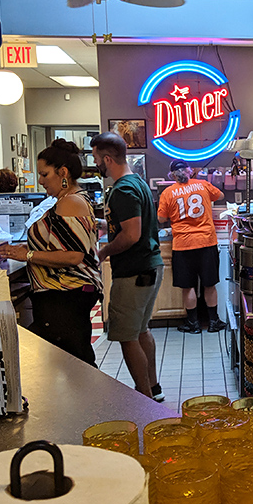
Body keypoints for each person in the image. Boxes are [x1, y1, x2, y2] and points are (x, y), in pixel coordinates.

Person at [0, 140, 102, 366]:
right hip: (64, 294)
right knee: (72, 362)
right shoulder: (67, 200)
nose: (41, 181)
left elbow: (73, 255)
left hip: (66, 293)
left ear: (62, 172)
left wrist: (26, 255)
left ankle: (96, 401)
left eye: (45, 174)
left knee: (75, 363)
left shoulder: (70, 202)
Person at [91, 131, 164, 400]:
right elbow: (129, 225)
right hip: (150, 267)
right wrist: (101, 225)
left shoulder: (122, 190)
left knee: (126, 336)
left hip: (134, 272)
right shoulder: (138, 183)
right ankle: (153, 388)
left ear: (107, 159)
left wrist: (103, 252)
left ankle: (143, 397)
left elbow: (131, 235)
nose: (96, 164)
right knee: (141, 330)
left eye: (97, 158)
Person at [157, 159, 227, 335]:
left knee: (188, 287)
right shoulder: (203, 185)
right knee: (209, 285)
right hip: (206, 242)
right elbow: (220, 196)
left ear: (172, 175)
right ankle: (213, 322)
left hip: (183, 245)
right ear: (189, 171)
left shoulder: (168, 193)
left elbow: (161, 218)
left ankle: (193, 324)